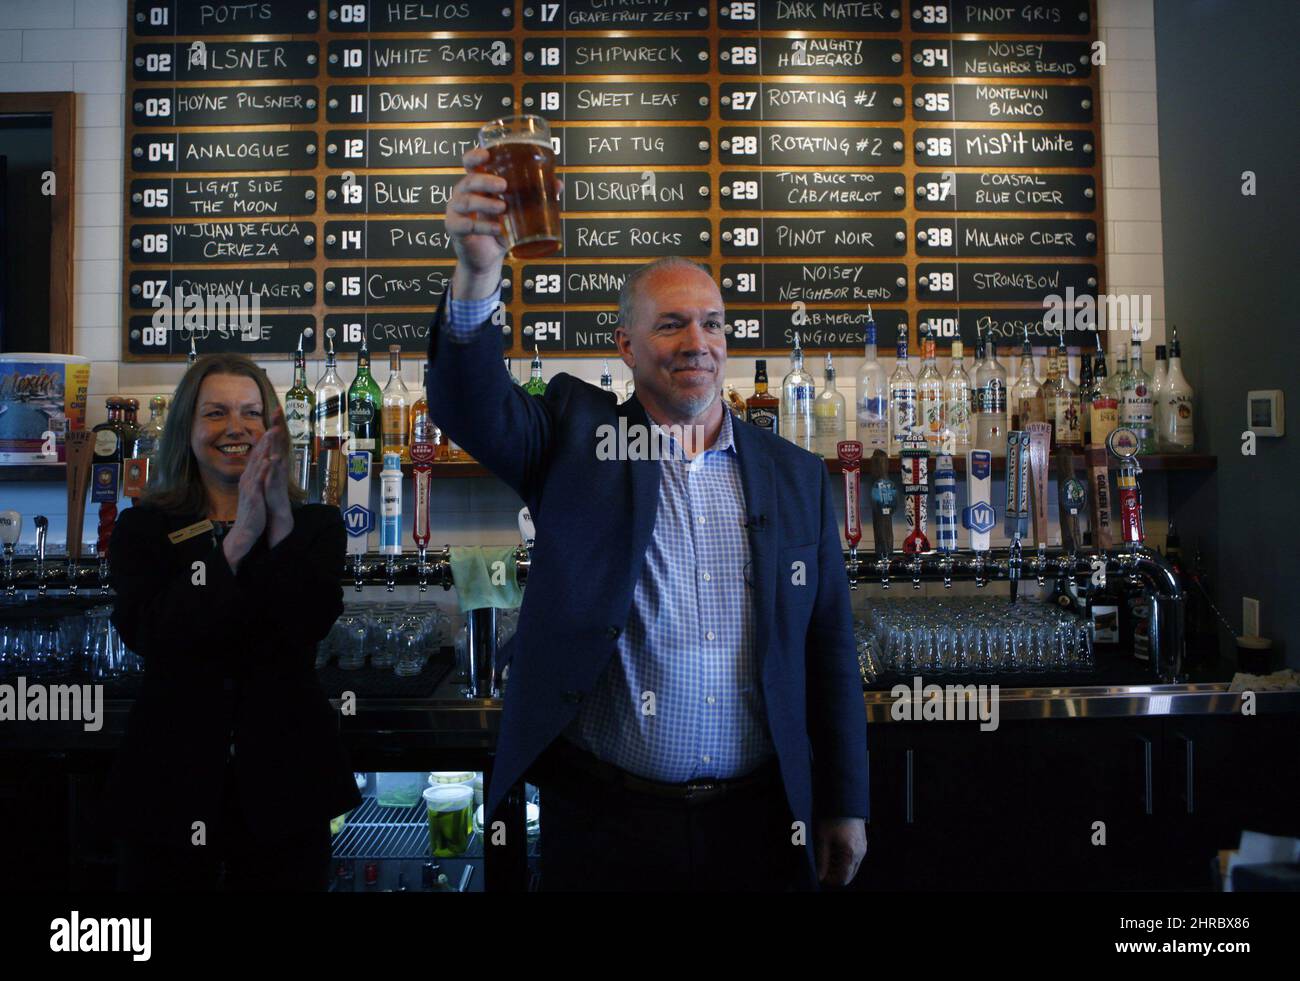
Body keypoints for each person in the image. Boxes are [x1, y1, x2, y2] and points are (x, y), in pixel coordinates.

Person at [430, 148, 868, 891]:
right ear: (625, 346)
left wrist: (846, 803)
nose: (697, 343)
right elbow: (470, 403)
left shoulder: (793, 475)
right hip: (608, 824)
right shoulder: (576, 435)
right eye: (670, 325)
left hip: (761, 822)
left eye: (711, 324)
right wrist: (477, 276)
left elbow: (830, 649)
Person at [107, 354, 359, 891]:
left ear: (273, 431)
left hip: (286, 788)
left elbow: (304, 624)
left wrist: (276, 518)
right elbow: (152, 634)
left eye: (251, 413)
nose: (235, 428)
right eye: (215, 413)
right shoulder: (144, 528)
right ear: (187, 429)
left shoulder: (315, 526)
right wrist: (240, 537)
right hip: (169, 787)